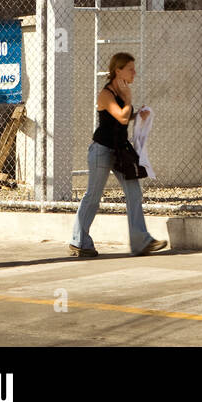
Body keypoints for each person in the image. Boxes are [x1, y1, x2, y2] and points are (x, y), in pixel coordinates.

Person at [69, 53, 168, 257]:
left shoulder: (122, 91)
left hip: (120, 150)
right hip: (102, 151)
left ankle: (141, 242)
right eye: (130, 68)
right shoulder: (106, 94)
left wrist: (137, 115)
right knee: (93, 196)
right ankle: (78, 241)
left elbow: (124, 117)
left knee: (134, 193)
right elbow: (121, 118)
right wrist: (129, 100)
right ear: (118, 71)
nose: (134, 72)